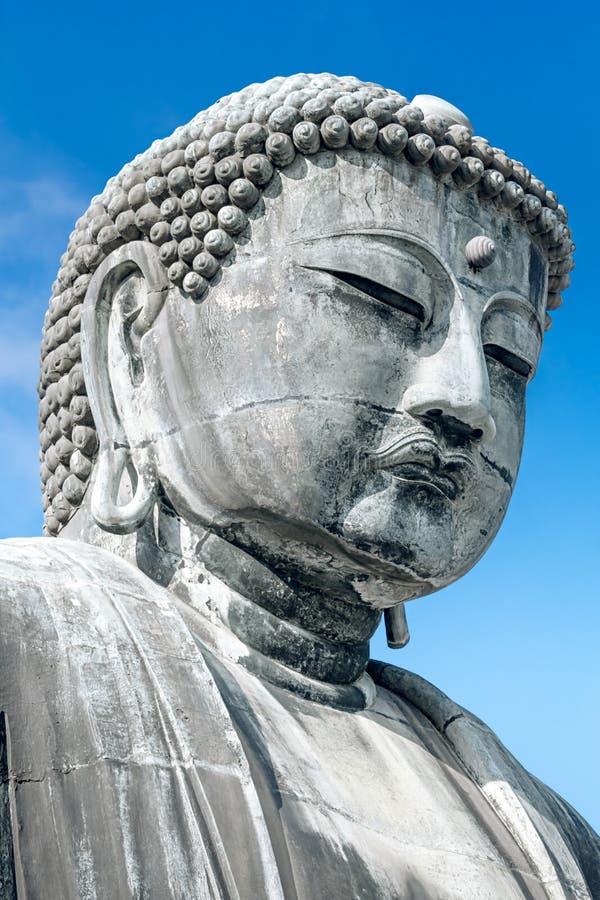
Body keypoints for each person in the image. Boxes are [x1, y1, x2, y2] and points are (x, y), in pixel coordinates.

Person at [1, 73, 597, 899]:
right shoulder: (20, 655)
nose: (466, 400)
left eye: (509, 358)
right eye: (381, 294)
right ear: (132, 342)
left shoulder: (552, 833)